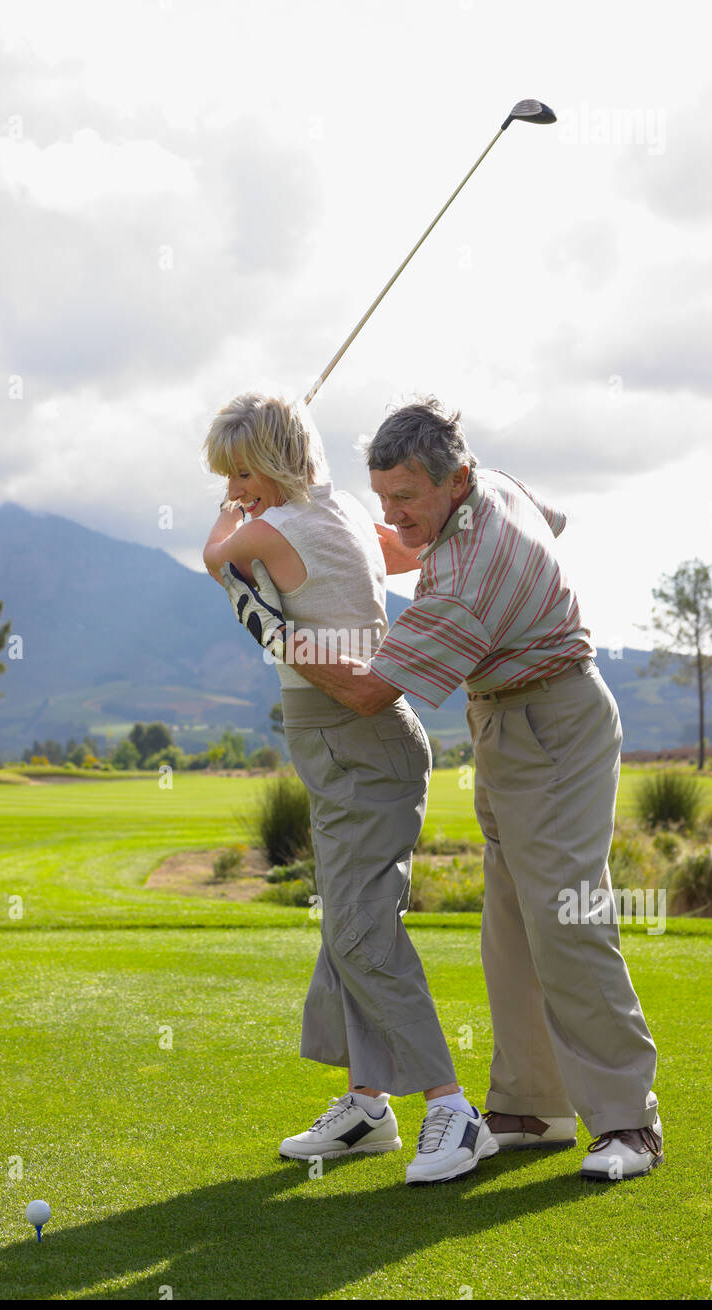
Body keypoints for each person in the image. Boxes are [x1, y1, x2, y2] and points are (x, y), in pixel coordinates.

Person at [225, 395, 662, 1182]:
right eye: (382, 497)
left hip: (555, 720)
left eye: (406, 500)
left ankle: (629, 1120)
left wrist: (268, 624)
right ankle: (531, 1107)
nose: (391, 517)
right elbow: (549, 518)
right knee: (510, 927)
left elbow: (364, 693)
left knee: (567, 917)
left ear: (454, 481)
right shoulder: (493, 482)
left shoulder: (462, 579)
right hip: (505, 719)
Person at [201, 390, 499, 1184]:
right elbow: (393, 556)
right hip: (360, 744)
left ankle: (451, 1108)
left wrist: (228, 508)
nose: (237, 488)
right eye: (231, 478)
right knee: (349, 919)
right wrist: (258, 490)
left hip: (350, 742)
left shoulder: (275, 526)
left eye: (243, 472)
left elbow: (214, 554)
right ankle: (366, 1105)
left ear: (269, 463)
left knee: (362, 930)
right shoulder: (334, 516)